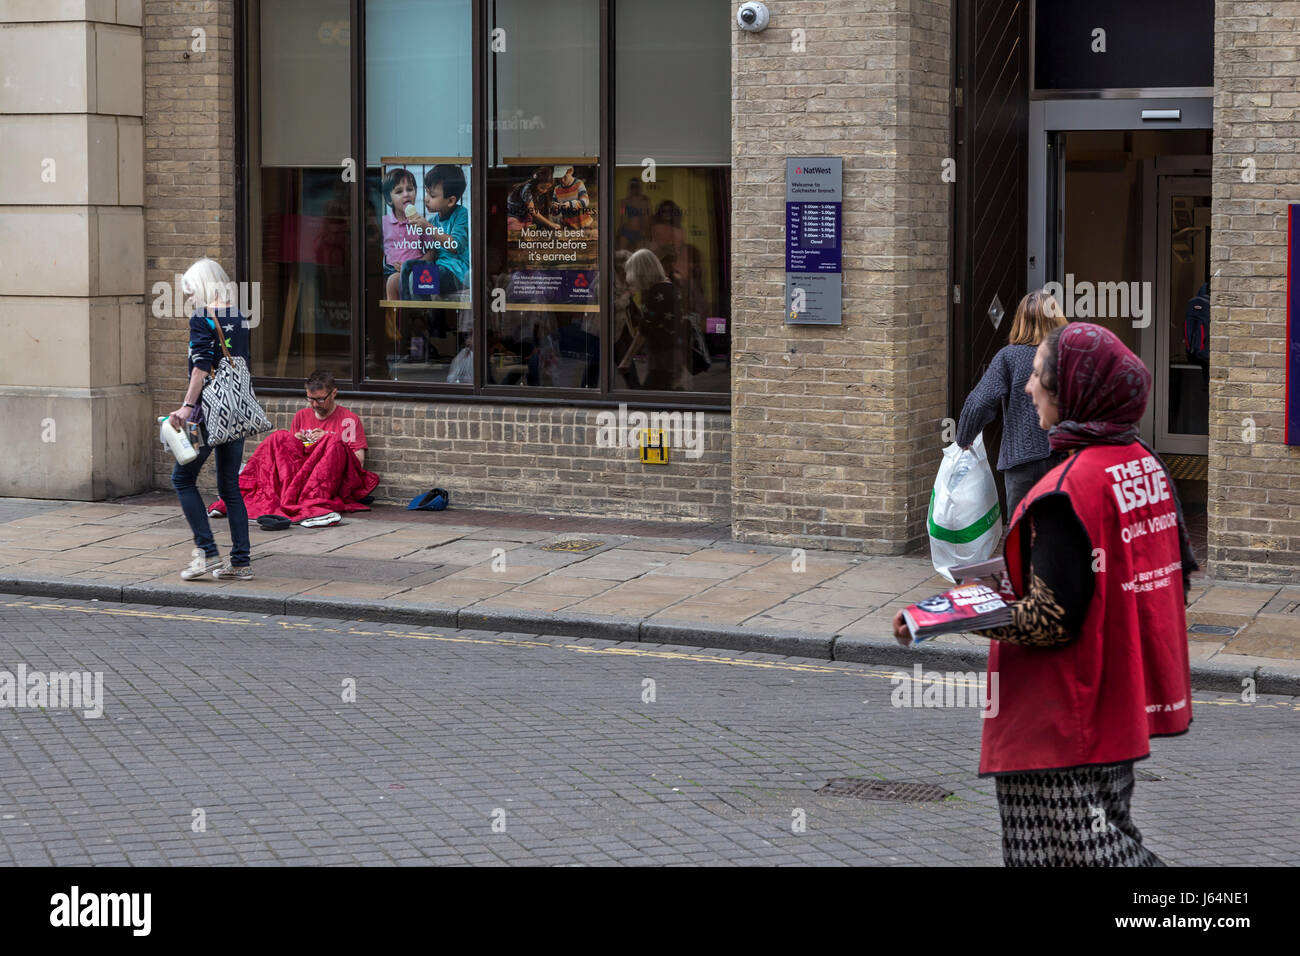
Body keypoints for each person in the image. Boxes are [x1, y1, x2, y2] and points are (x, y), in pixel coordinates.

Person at [893, 322, 1198, 867]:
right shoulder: (1145, 464)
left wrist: (947, 614)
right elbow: (1176, 573)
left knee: (1090, 857)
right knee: (1107, 839)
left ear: (1073, 389)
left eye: (1039, 377)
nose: (1029, 389)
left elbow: (1049, 621)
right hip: (1113, 704)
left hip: (1059, 716)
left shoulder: (1065, 491)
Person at [168, 258, 254, 581]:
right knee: (229, 484)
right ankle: (241, 561)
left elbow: (201, 366)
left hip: (207, 412)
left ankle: (208, 554)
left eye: (190, 291)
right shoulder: (239, 316)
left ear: (203, 286)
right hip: (235, 409)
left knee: (182, 479)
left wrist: (187, 407)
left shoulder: (203, 317)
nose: (189, 298)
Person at [955, 289, 1068, 515]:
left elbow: (980, 402)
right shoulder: (1068, 353)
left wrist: (964, 438)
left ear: (1020, 321)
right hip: (1064, 458)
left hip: (1021, 463)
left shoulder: (1009, 356)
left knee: (1021, 532)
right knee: (1061, 529)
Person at [617, 249, 685, 390]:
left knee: (653, 396)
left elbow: (644, 329)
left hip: (663, 356)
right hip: (672, 354)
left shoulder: (656, 293)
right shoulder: (669, 287)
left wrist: (627, 359)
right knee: (665, 392)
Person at [409, 164, 470, 296]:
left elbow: (454, 245)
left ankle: (427, 315)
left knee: (420, 279)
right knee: (410, 276)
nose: (426, 199)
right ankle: (425, 315)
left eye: (432, 195)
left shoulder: (461, 214)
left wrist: (428, 229)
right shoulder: (432, 221)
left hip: (456, 273)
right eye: (426, 192)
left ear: (450, 201)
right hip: (439, 268)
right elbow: (432, 252)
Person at [291, 370, 368, 467]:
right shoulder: (301, 416)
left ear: (334, 393)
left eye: (320, 399)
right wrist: (293, 443)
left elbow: (359, 462)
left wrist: (329, 441)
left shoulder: (349, 420)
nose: (315, 404)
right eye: (311, 399)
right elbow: (291, 459)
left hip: (332, 474)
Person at [380, 167, 422, 301]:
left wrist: (414, 265)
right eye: (399, 191)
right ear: (388, 199)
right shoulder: (384, 223)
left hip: (416, 271)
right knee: (393, 281)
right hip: (392, 271)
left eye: (410, 189)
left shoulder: (421, 222)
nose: (406, 194)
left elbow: (431, 250)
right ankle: (393, 319)